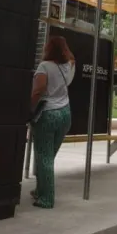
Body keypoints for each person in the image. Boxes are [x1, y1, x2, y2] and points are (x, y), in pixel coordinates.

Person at [29, 35, 75, 208]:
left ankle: (46, 198)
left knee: (44, 157)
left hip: (48, 114)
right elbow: (72, 58)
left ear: (48, 48)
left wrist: (29, 108)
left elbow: (39, 90)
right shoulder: (67, 65)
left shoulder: (44, 66)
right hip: (65, 114)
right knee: (48, 156)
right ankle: (40, 190)